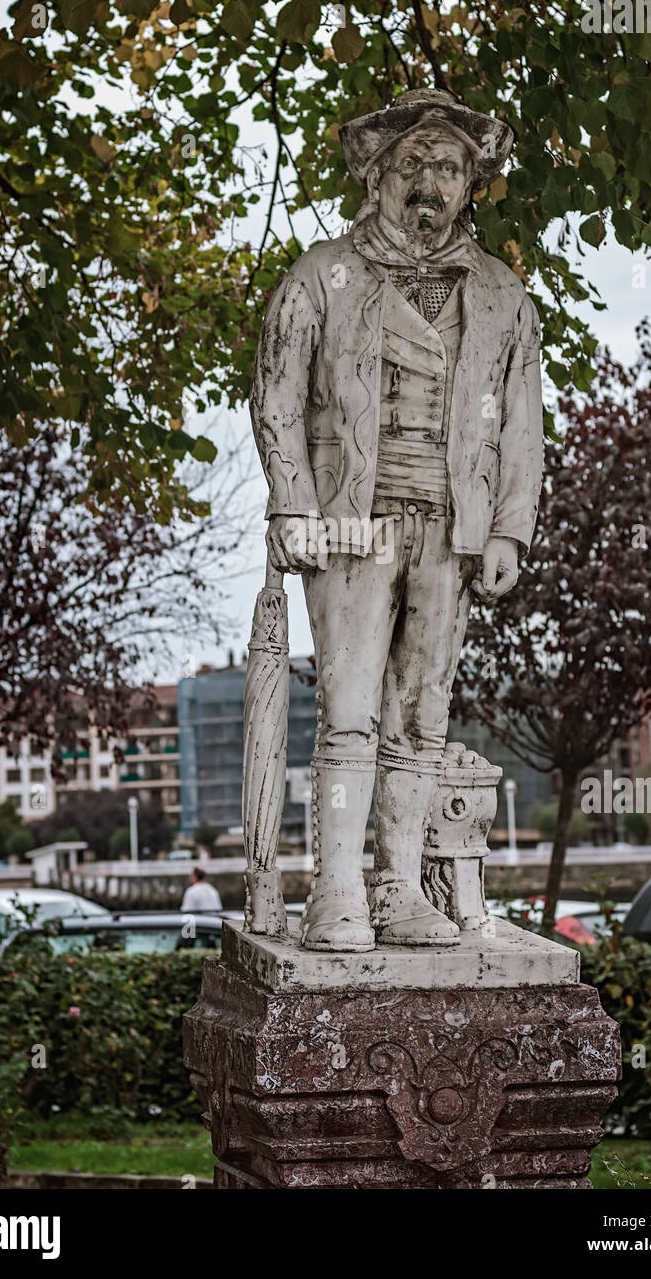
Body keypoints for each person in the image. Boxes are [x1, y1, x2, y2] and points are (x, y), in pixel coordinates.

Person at [250, 87, 543, 951]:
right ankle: (335, 890)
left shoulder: (500, 295)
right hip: (352, 522)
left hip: (453, 527)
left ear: (469, 185)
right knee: (348, 712)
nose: (429, 181)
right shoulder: (319, 276)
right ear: (376, 175)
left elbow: (523, 420)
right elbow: (276, 396)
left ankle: (396, 889)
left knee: (423, 718)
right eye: (411, 163)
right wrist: (294, 505)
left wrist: (508, 529)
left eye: (448, 167)